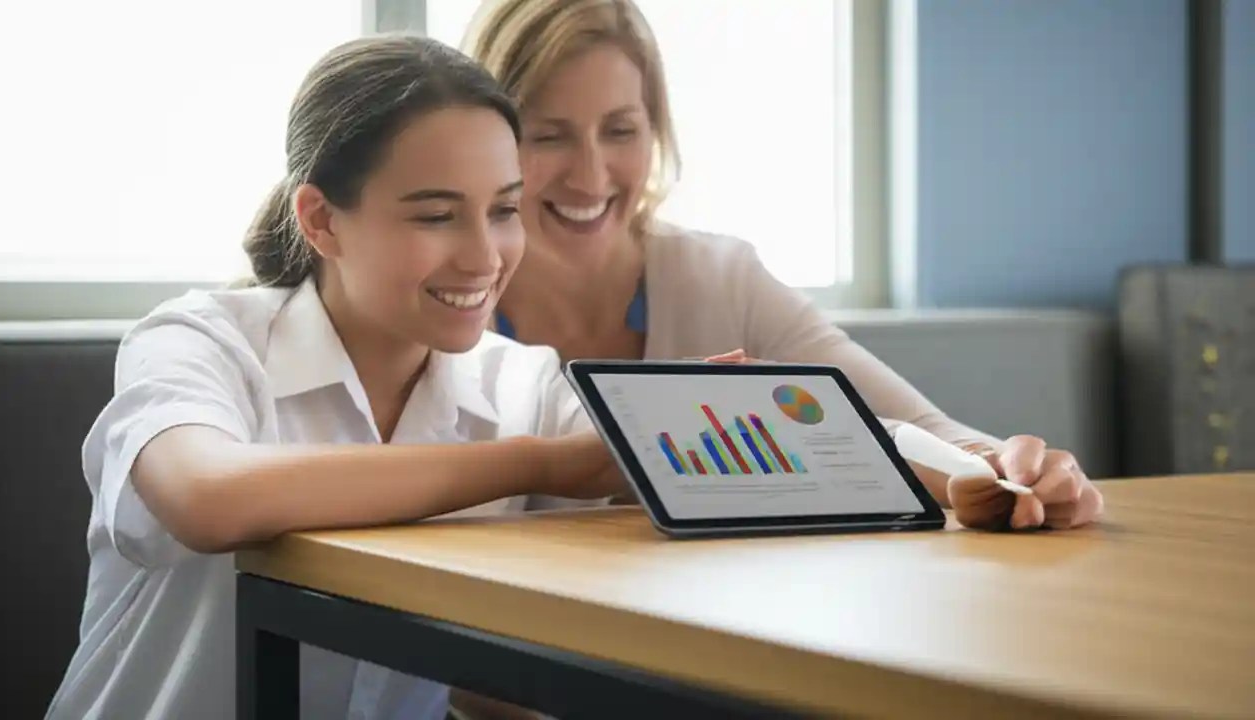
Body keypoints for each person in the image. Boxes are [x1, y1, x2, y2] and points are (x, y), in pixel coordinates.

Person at [45, 34, 625, 720]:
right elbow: (205, 498)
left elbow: (633, 467)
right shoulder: (200, 342)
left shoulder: (521, 381)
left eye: (503, 210)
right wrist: (536, 466)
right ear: (321, 221)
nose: (485, 257)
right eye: (436, 215)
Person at [462, 0, 1103, 533]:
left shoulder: (718, 279)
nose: (592, 175)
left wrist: (1017, 472)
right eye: (548, 135)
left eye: (622, 130)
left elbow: (923, 431)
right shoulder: (448, 305)